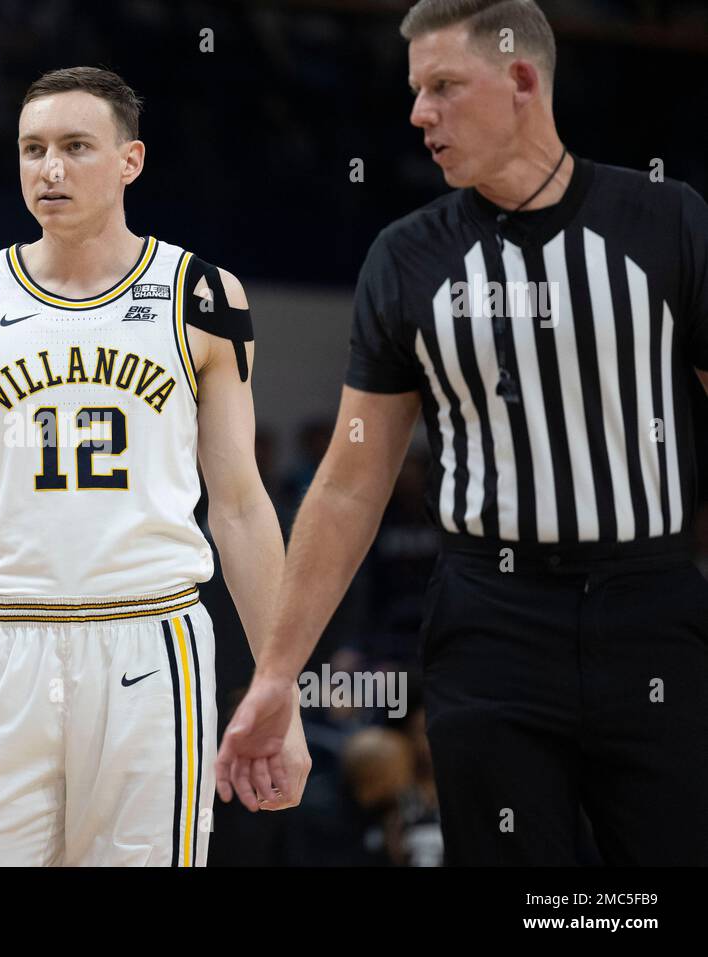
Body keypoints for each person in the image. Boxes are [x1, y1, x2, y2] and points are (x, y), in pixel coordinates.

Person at [219, 0, 708, 865]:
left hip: (653, 610)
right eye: (415, 91)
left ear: (521, 79)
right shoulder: (406, 257)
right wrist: (276, 672)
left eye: (443, 87)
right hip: (491, 620)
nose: (418, 115)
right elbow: (347, 482)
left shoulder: (667, 221)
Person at [0, 66, 310, 867]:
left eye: (75, 146)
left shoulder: (204, 294)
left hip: (150, 639)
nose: (49, 168)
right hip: (8, 640)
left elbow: (238, 504)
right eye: (33, 149)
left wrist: (279, 693)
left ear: (130, 160)